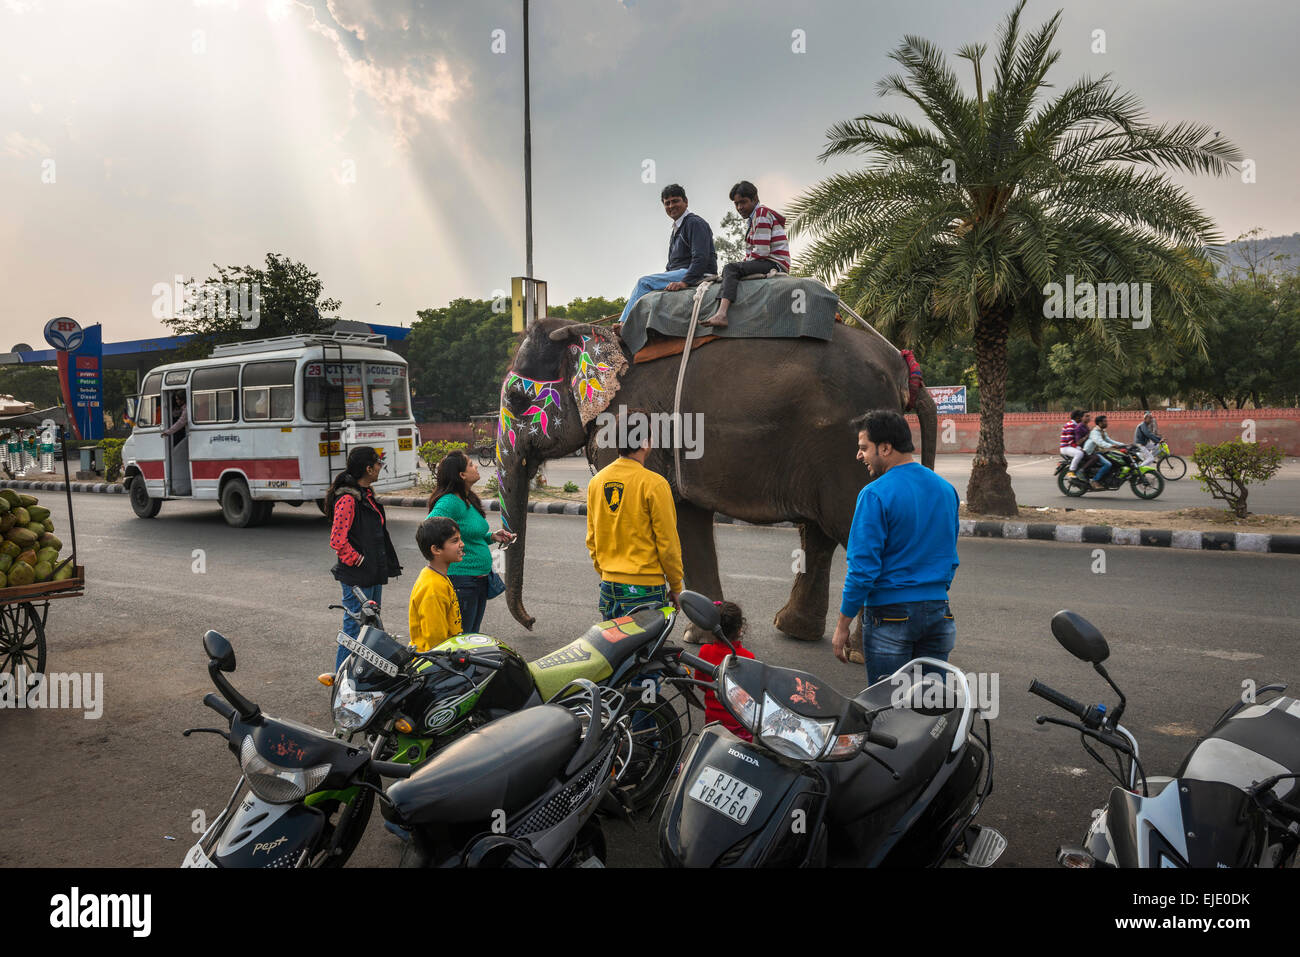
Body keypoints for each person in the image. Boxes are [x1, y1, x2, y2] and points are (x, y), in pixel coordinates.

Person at [832, 410, 960, 685]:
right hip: (939, 614)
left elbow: (862, 570)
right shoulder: (946, 490)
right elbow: (950, 558)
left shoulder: (874, 494)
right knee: (927, 712)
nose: (859, 455)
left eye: (864, 448)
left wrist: (843, 624)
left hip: (890, 616)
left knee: (888, 712)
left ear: (886, 448)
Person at [585, 409, 684, 619]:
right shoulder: (655, 484)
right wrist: (676, 585)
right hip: (645, 588)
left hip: (609, 587)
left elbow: (592, 539)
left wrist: (607, 573)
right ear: (646, 442)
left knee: (614, 649)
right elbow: (668, 544)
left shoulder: (597, 482)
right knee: (645, 651)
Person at [327, 446, 402, 669]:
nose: (380, 467)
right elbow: (337, 540)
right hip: (357, 576)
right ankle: (341, 677)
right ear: (368, 469)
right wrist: (358, 559)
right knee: (354, 629)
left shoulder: (366, 495)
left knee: (371, 628)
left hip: (371, 573)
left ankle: (363, 675)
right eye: (378, 463)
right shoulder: (349, 500)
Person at [426, 450, 515, 633]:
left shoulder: (466, 499)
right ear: (462, 475)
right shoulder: (449, 501)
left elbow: (468, 535)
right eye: (470, 464)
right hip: (462, 580)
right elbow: (430, 528)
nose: (475, 466)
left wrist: (491, 536)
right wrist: (449, 555)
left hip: (478, 579)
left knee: (471, 634)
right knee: (463, 637)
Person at [617, 184, 717, 325]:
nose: (671, 206)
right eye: (667, 203)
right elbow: (671, 265)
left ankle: (623, 326)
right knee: (651, 291)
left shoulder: (694, 223)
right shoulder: (676, 229)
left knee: (644, 282)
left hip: (697, 272)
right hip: (680, 271)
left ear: (686, 201)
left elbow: (701, 258)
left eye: (675, 201)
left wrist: (683, 282)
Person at [700, 181, 791, 329]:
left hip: (773, 262)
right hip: (768, 260)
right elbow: (752, 254)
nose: (739, 207)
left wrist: (738, 268)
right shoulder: (754, 218)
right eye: (736, 204)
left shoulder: (761, 214)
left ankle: (722, 314)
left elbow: (762, 252)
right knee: (732, 270)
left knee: (731, 269)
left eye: (743, 202)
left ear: (754, 199)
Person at [696, 600, 756, 741]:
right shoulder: (748, 657)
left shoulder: (705, 651)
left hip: (713, 719)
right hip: (740, 721)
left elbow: (701, 684)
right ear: (740, 629)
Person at [408, 517, 465, 653]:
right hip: (435, 663)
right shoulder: (433, 587)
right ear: (436, 550)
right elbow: (437, 642)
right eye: (455, 541)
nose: (462, 544)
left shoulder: (438, 576)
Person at [1082, 414, 1125, 489]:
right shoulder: (1095, 432)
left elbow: (1109, 440)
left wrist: (1124, 445)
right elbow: (1100, 442)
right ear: (1100, 423)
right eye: (1105, 421)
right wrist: (1111, 446)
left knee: (1113, 458)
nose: (1107, 423)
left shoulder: (1102, 431)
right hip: (1090, 453)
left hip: (1098, 452)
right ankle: (1094, 480)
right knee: (1108, 464)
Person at [1059, 409, 1087, 478]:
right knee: (1079, 453)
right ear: (1077, 417)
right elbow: (1070, 440)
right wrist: (1079, 448)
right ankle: (1071, 471)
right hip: (1066, 447)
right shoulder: (1071, 425)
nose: (1082, 419)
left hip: (1070, 446)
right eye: (1081, 417)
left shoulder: (1076, 425)